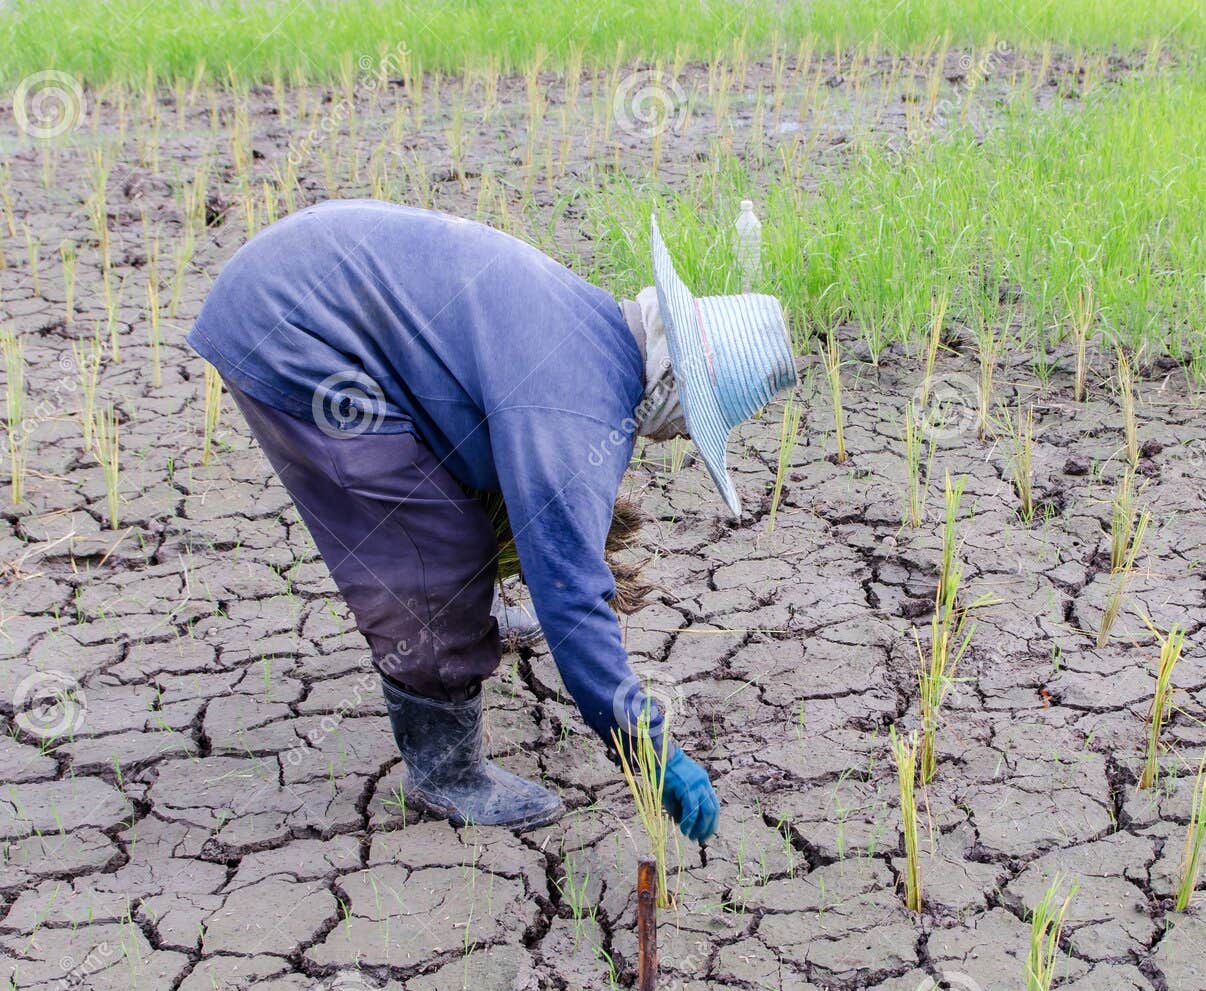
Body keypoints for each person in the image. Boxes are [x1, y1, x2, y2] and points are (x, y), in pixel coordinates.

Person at [186, 200, 798, 840]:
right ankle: (444, 770)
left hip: (297, 280)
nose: (675, 438)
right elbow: (571, 597)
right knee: (432, 550)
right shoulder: (576, 405)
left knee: (451, 488)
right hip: (294, 330)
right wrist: (650, 750)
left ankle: (466, 625)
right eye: (691, 422)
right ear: (673, 386)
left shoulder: (591, 325)